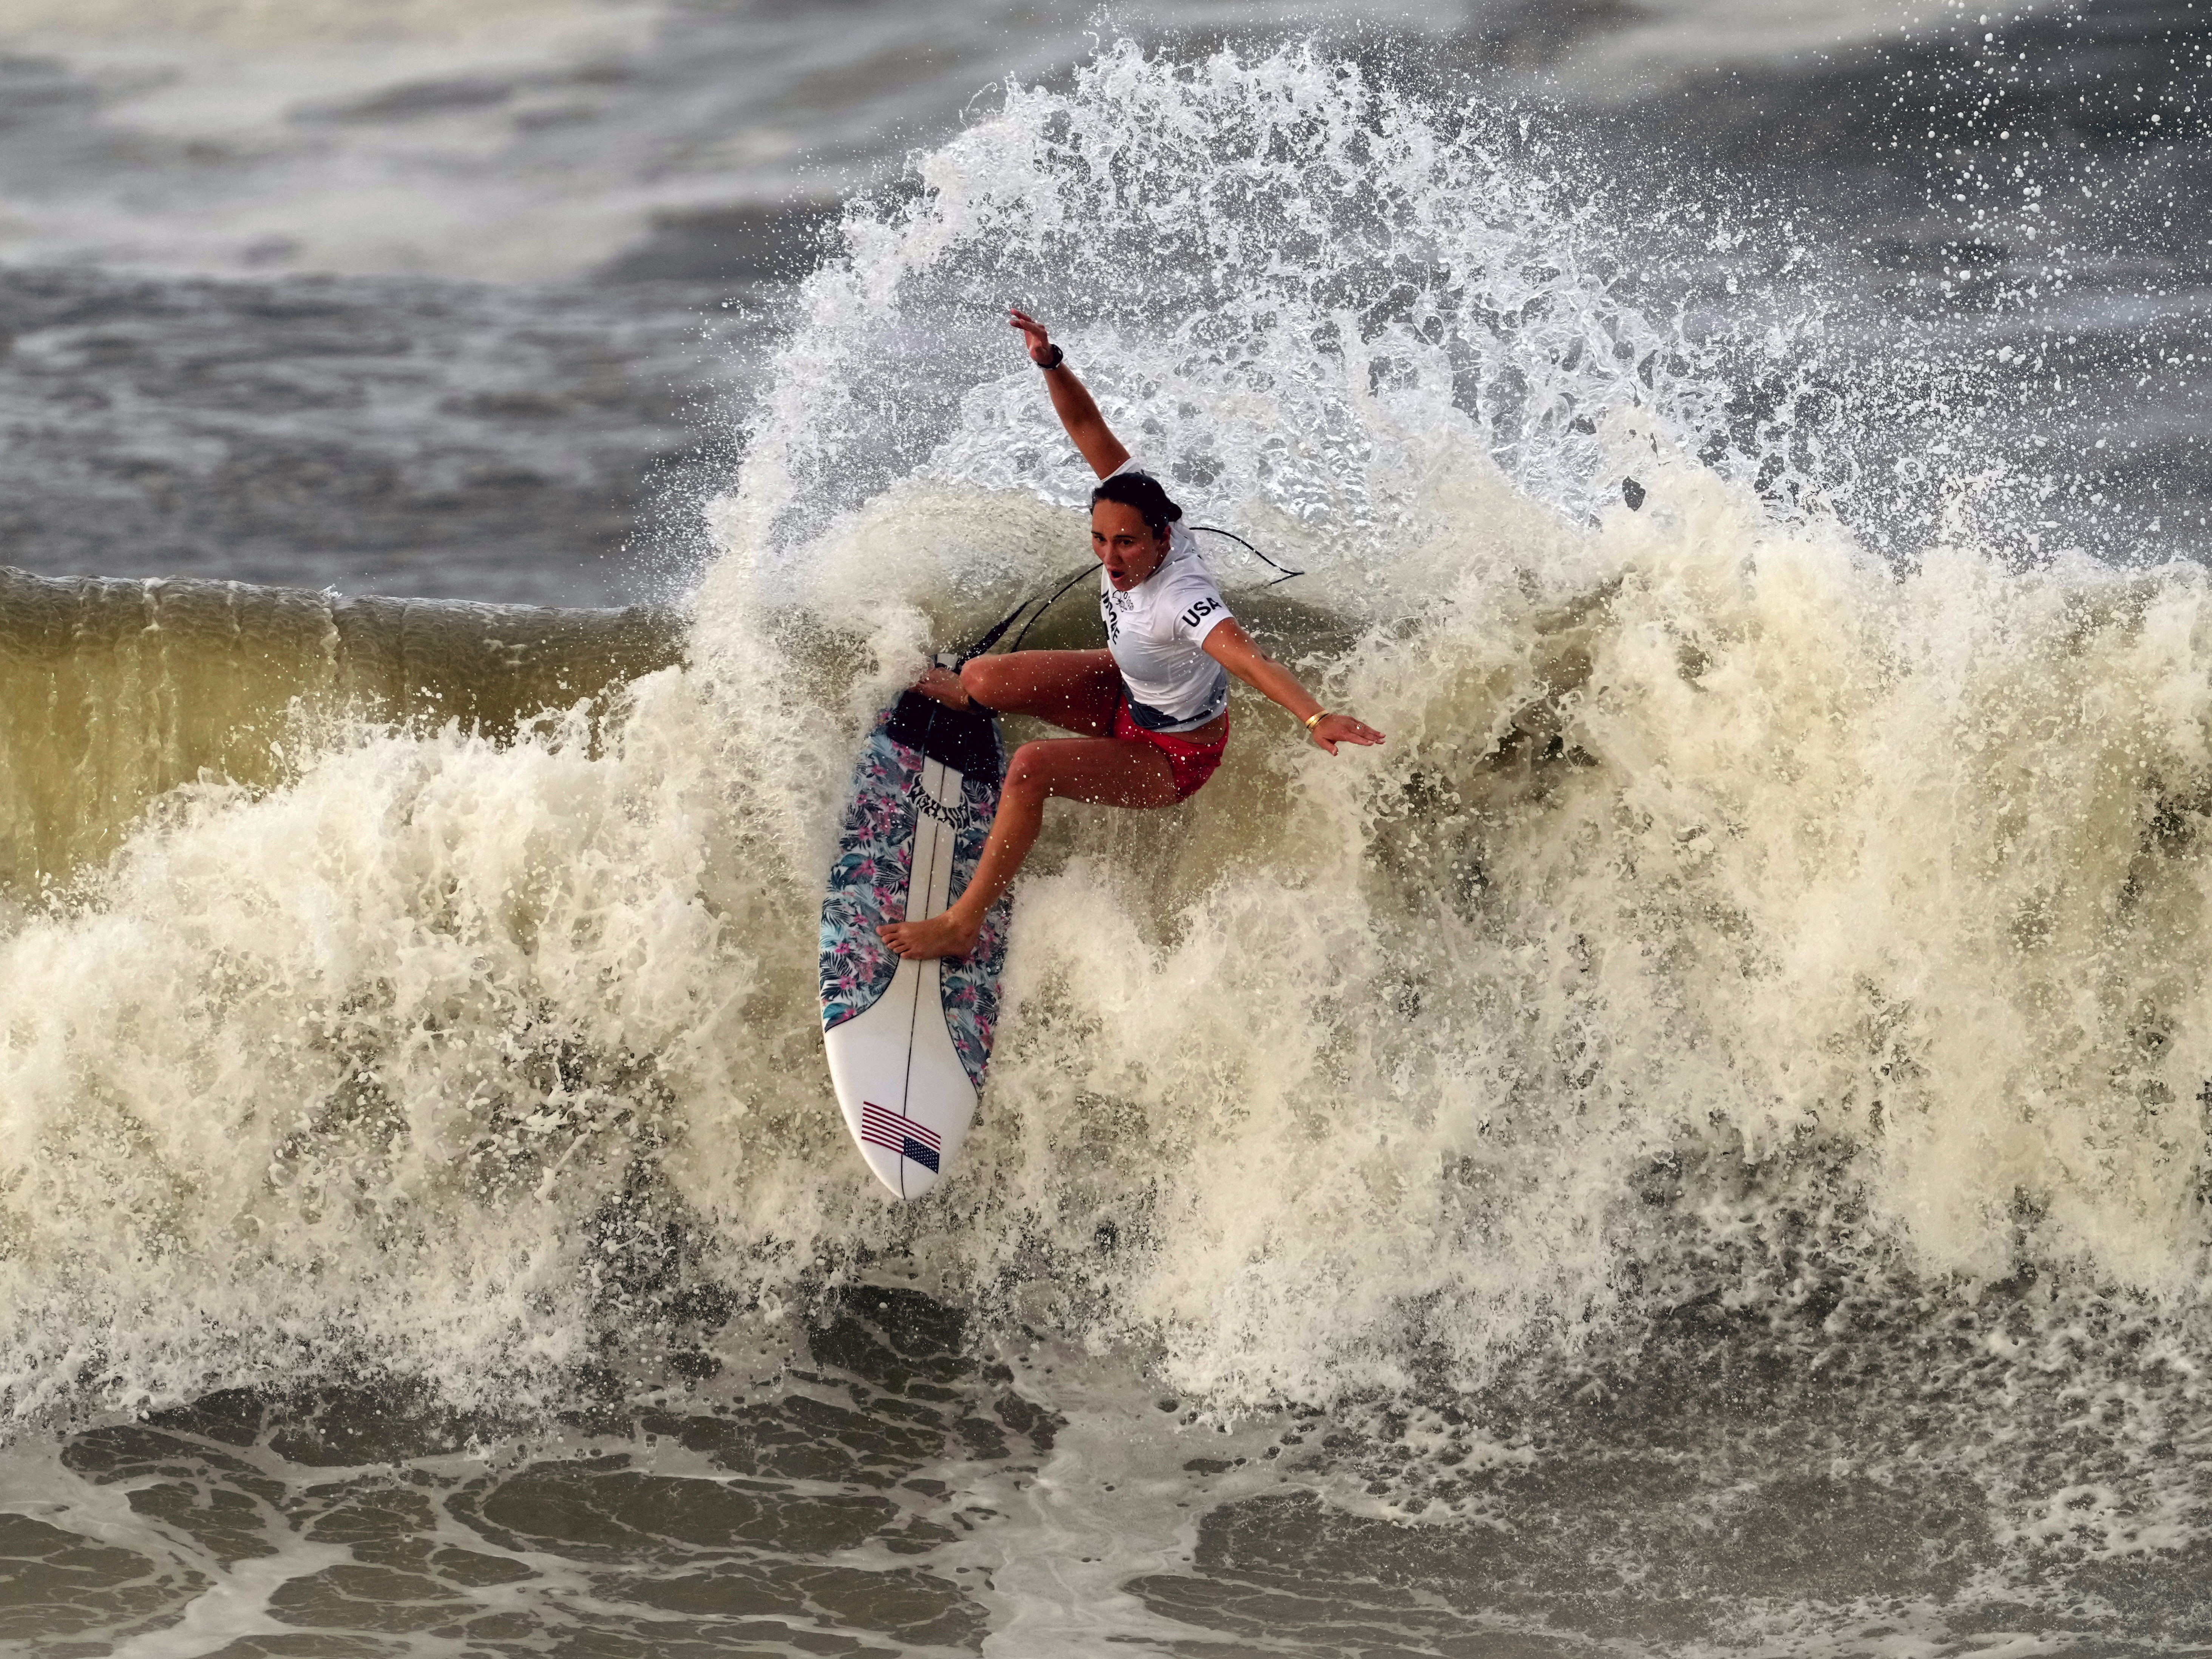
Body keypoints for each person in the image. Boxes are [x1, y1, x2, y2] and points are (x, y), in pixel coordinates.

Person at [876, 307, 1386, 961]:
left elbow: (1249, 660)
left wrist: (1316, 719)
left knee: (1031, 769)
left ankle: (961, 925)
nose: (1111, 560)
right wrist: (1049, 362)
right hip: (1127, 688)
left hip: (1171, 757)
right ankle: (959, 693)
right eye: (1100, 541)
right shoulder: (1133, 503)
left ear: (1161, 536)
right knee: (980, 679)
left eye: (1127, 545)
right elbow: (1087, 427)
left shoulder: (1184, 600)